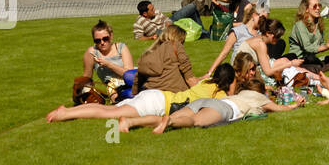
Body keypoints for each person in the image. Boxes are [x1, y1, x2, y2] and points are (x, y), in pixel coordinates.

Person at [121, 54, 303, 134]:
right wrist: (296, 104)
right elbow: (280, 108)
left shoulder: (238, 93)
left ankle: (130, 122)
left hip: (204, 101)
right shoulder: (259, 99)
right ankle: (169, 122)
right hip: (222, 108)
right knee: (194, 122)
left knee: (172, 116)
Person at [47, 64, 231, 125]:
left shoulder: (205, 82)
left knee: (108, 110)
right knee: (109, 114)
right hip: (157, 105)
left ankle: (69, 110)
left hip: (158, 96)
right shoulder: (220, 95)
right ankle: (66, 114)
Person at [287, 0, 329, 71]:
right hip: (299, 59)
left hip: (312, 58)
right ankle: (327, 66)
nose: (318, 8)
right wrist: (325, 47)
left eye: (319, 5)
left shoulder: (318, 24)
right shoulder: (299, 25)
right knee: (311, 58)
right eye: (315, 6)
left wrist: (328, 45)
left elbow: (320, 45)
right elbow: (308, 48)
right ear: (306, 9)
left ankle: (324, 67)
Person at [135, 24, 200, 92]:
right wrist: (201, 96)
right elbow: (190, 79)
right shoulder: (176, 46)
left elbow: (138, 80)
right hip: (174, 95)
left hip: (151, 93)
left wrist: (135, 94)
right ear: (179, 39)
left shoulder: (147, 53)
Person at [81, 20, 134, 89]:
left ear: (111, 36)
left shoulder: (121, 48)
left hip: (131, 83)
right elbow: (87, 77)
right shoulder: (92, 52)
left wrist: (108, 64)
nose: (102, 42)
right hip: (113, 88)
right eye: (97, 41)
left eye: (105, 39)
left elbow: (130, 76)